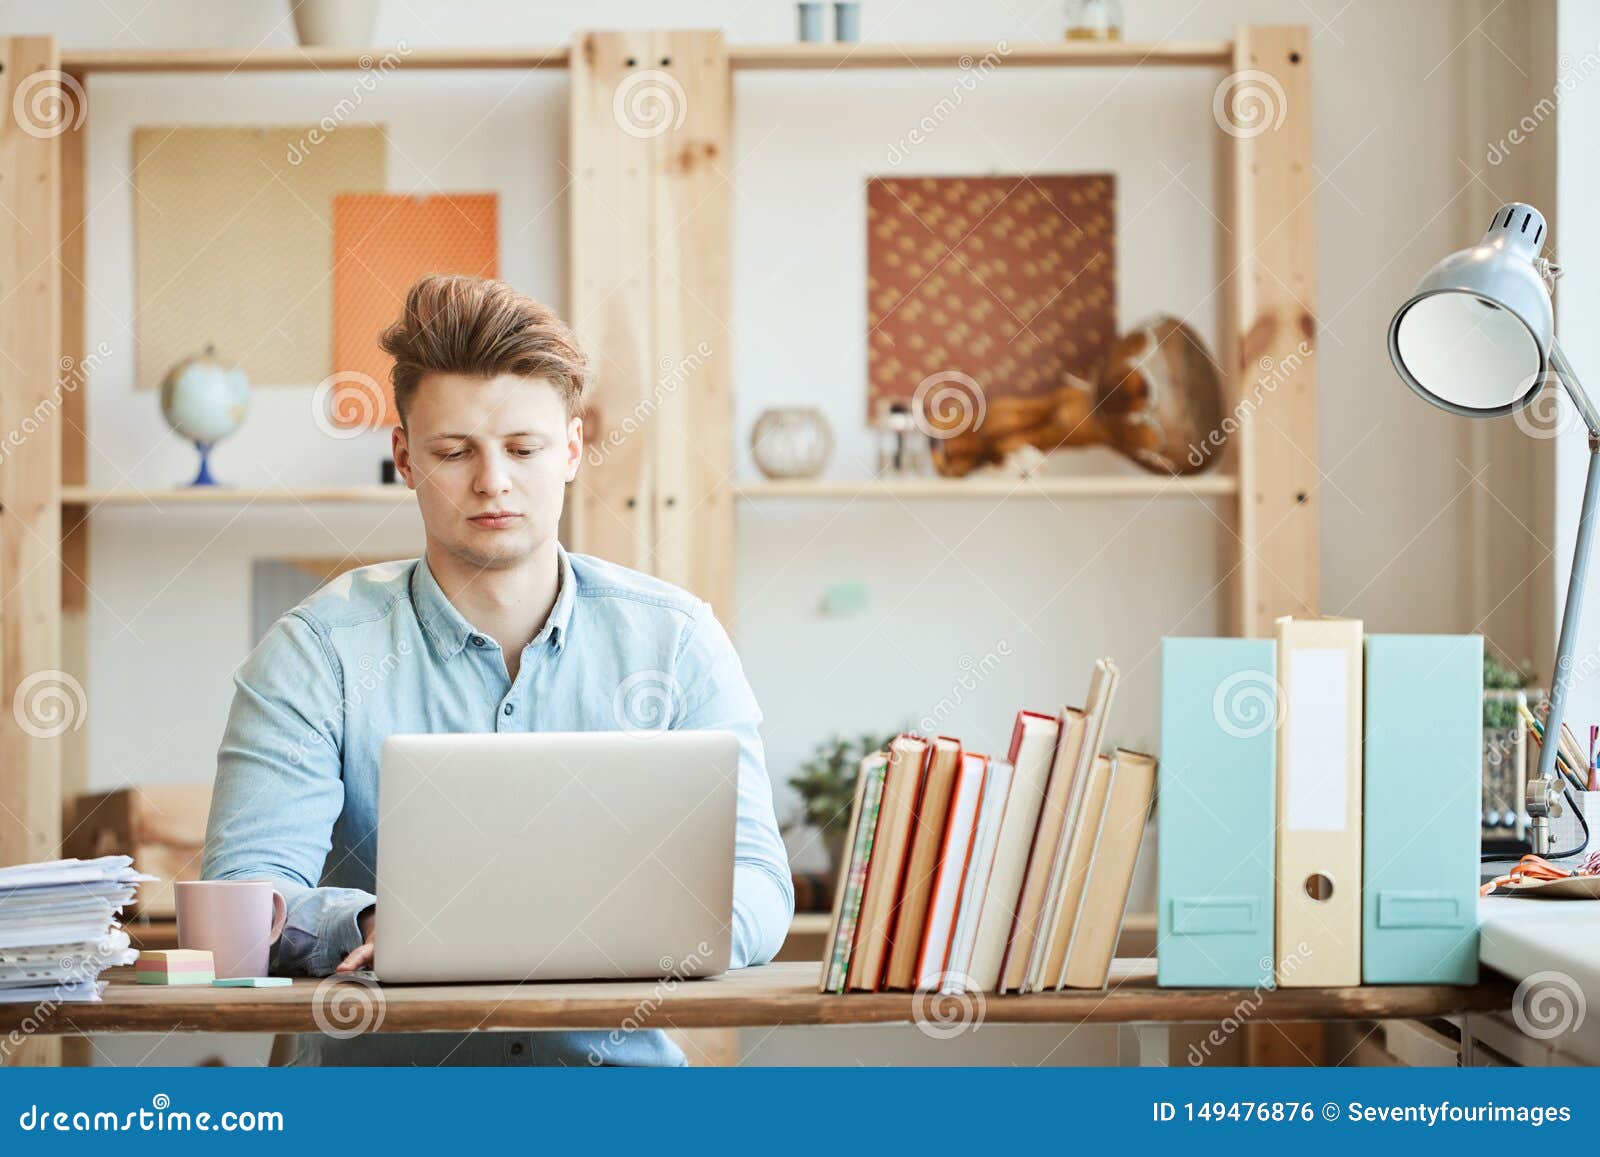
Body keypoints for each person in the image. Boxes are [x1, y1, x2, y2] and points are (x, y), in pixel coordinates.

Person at [201, 273, 793, 1066]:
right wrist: (376, 922)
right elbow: (242, 905)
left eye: (523, 448)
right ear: (406, 458)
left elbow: (756, 881)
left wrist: (604, 933)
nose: (494, 482)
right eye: (455, 451)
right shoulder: (319, 650)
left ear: (574, 449)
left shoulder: (677, 640)